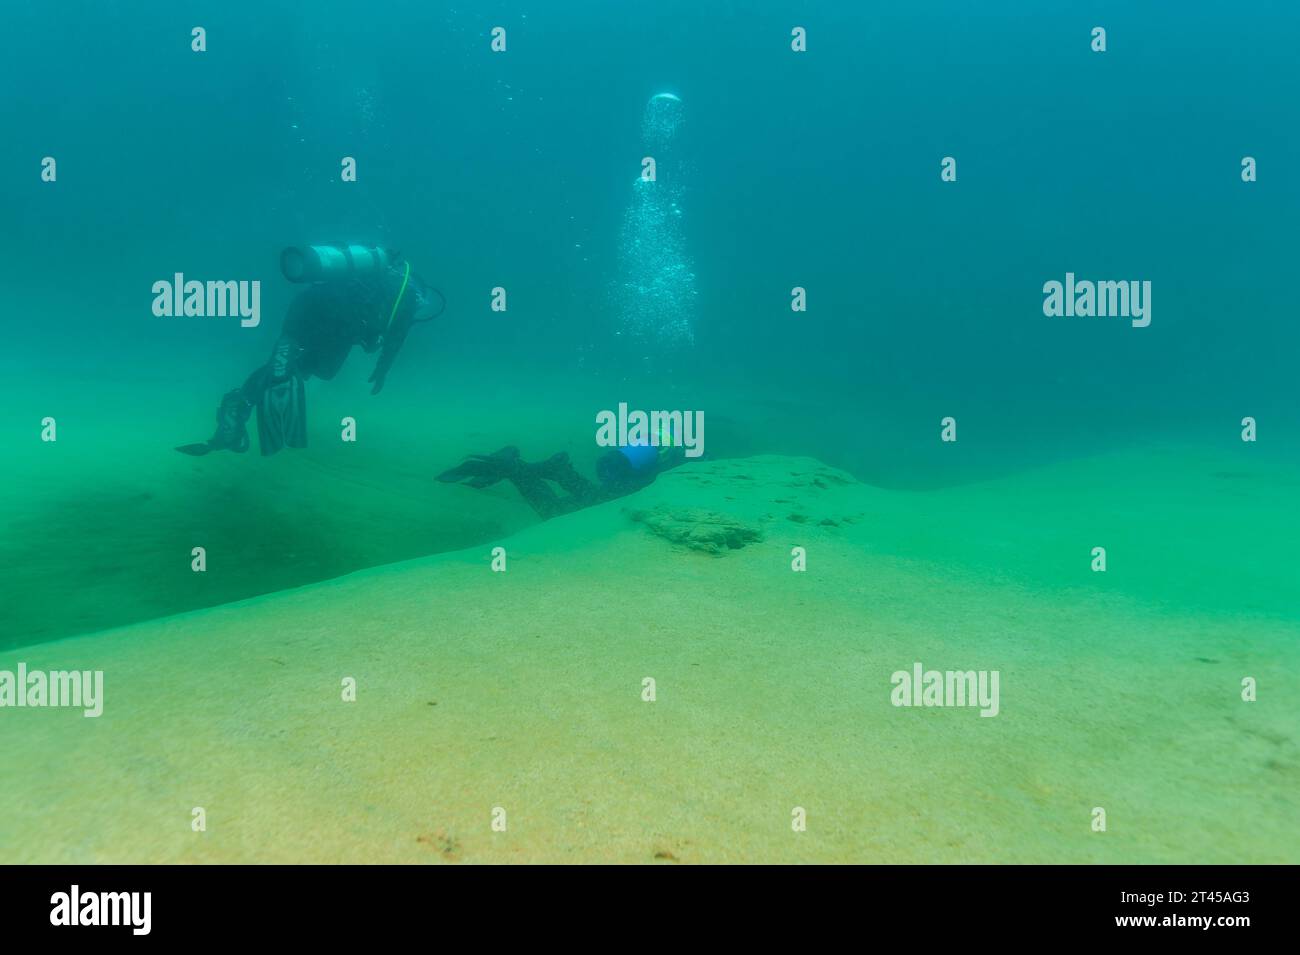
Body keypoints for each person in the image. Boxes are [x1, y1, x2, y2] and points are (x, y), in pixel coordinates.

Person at [177, 244, 444, 456]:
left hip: (307, 302)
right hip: (339, 320)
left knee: (280, 362)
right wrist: (382, 370)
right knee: (319, 368)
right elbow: (395, 338)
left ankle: (241, 402)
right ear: (422, 298)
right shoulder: (408, 297)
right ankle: (294, 369)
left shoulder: (377, 275)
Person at [437, 440, 684, 519]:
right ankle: (517, 467)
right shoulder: (673, 465)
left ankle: (556, 468)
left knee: (588, 495)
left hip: (612, 490)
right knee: (554, 512)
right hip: (615, 499)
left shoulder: (656, 455)